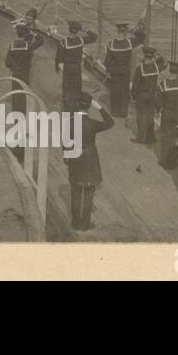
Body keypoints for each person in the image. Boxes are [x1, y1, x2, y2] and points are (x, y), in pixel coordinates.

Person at [64, 92, 114, 231]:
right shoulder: (92, 124)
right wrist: (99, 107)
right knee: (88, 191)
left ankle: (75, 223)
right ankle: (85, 224)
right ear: (88, 107)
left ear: (77, 105)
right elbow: (110, 122)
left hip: (75, 157)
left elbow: (65, 143)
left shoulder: (69, 122)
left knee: (75, 191)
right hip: (90, 158)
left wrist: (66, 159)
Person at [54, 20, 97, 107]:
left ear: (69, 29)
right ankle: (76, 102)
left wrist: (57, 66)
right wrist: (85, 30)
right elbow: (94, 37)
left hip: (68, 67)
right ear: (77, 31)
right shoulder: (81, 40)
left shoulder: (63, 42)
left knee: (67, 85)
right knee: (77, 84)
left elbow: (59, 57)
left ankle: (67, 104)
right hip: (77, 67)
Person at [156, 61, 178, 169]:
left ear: (169, 70)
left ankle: (164, 161)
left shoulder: (163, 84)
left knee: (165, 137)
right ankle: (173, 161)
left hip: (167, 113)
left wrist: (157, 111)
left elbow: (158, 102)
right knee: (175, 137)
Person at [130, 44, 163, 144]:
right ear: (152, 57)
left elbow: (135, 85)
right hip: (152, 95)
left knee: (141, 117)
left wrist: (133, 96)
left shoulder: (139, 69)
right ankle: (150, 138)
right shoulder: (157, 67)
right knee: (150, 116)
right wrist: (157, 56)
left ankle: (141, 138)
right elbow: (164, 63)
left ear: (144, 56)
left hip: (142, 95)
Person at [103, 22, 134, 117]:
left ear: (117, 31)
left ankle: (115, 112)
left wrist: (108, 70)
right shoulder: (129, 43)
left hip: (115, 70)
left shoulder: (111, 44)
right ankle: (124, 112)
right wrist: (133, 30)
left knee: (115, 91)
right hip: (125, 70)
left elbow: (107, 61)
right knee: (124, 91)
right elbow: (142, 37)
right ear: (125, 32)